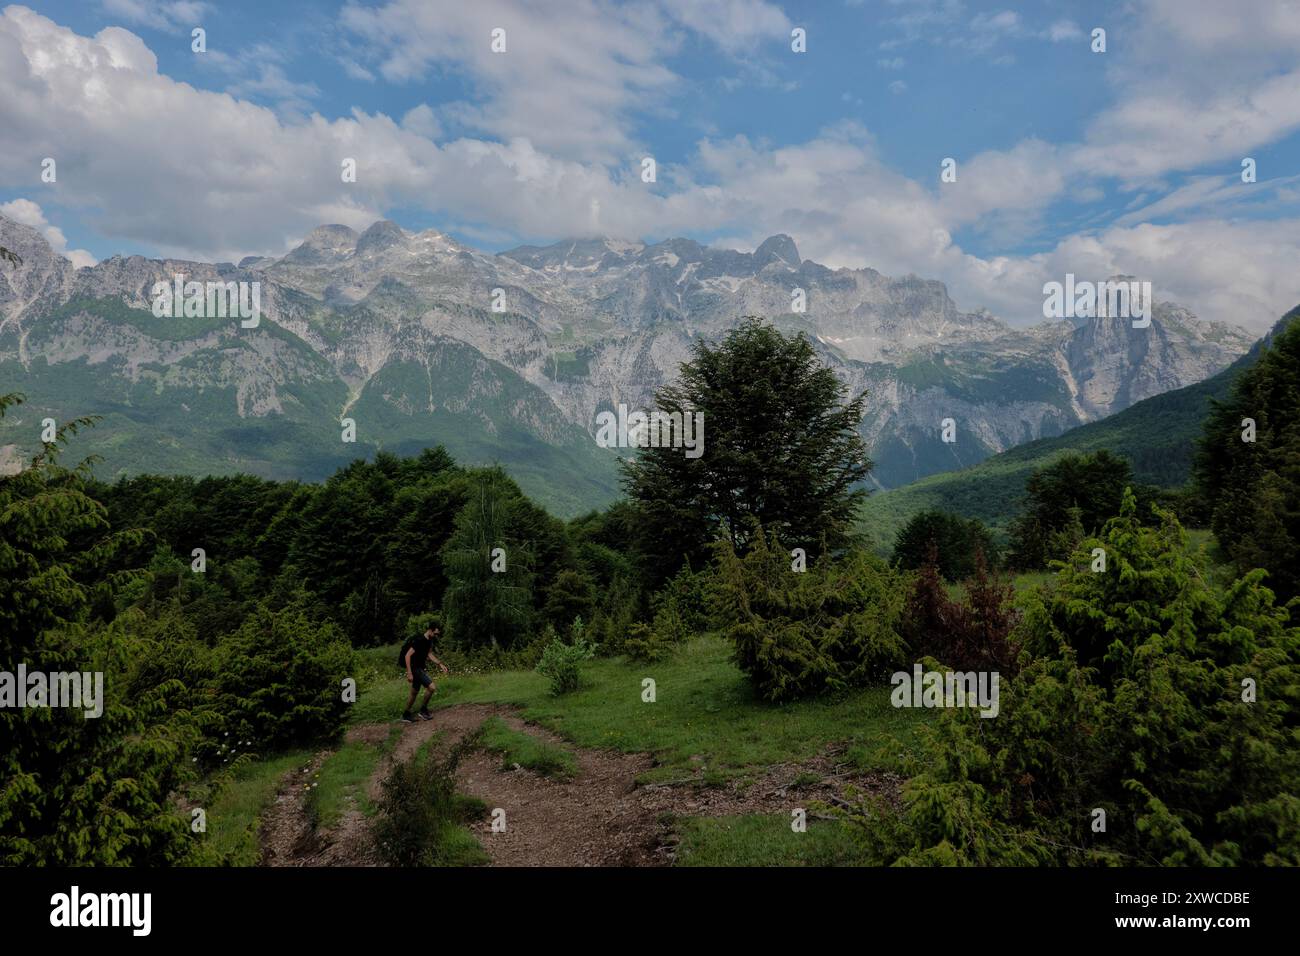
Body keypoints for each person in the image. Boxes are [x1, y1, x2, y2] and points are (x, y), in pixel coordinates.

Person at [401, 625, 449, 722]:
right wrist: (409, 673)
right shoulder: (419, 640)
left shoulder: (429, 641)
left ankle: (406, 715)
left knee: (414, 692)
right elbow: (407, 656)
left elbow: (429, 654)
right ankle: (423, 711)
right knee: (432, 687)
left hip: (420, 668)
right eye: (435, 633)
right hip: (415, 668)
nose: (436, 636)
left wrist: (440, 664)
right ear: (430, 630)